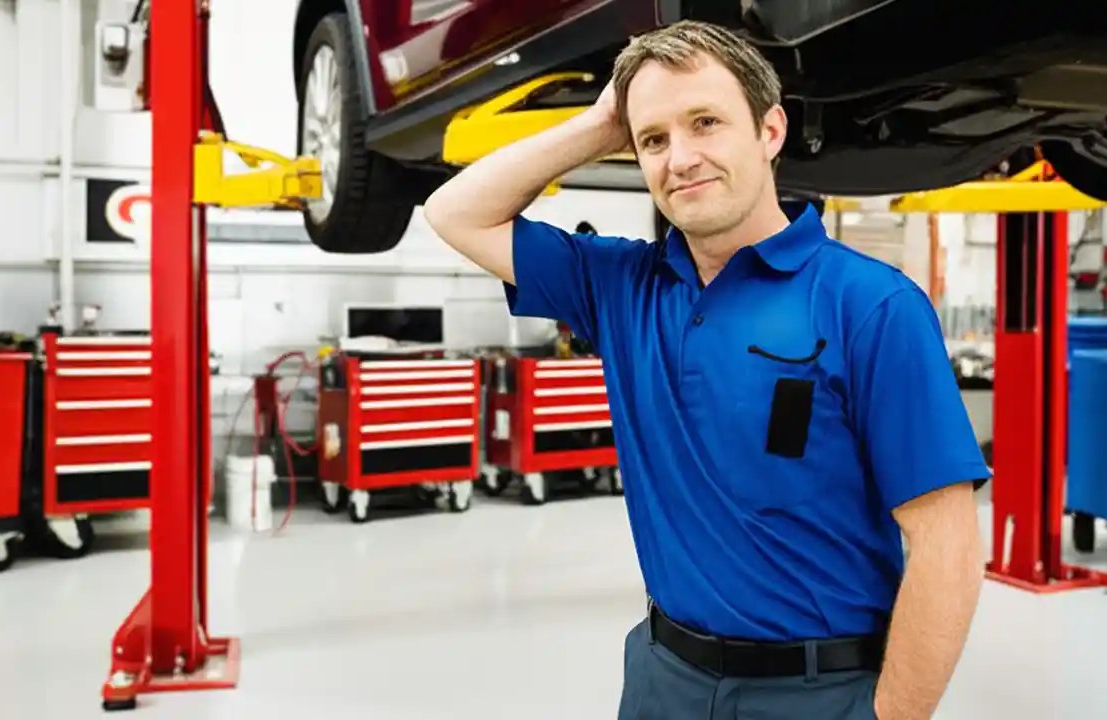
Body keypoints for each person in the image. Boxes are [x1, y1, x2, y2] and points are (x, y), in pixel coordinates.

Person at [423, 19, 988, 720]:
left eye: (706, 122)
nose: (680, 157)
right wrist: (603, 122)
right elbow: (454, 214)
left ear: (770, 131)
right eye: (654, 140)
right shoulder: (622, 287)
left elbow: (947, 544)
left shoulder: (868, 305)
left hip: (819, 691)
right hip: (663, 681)